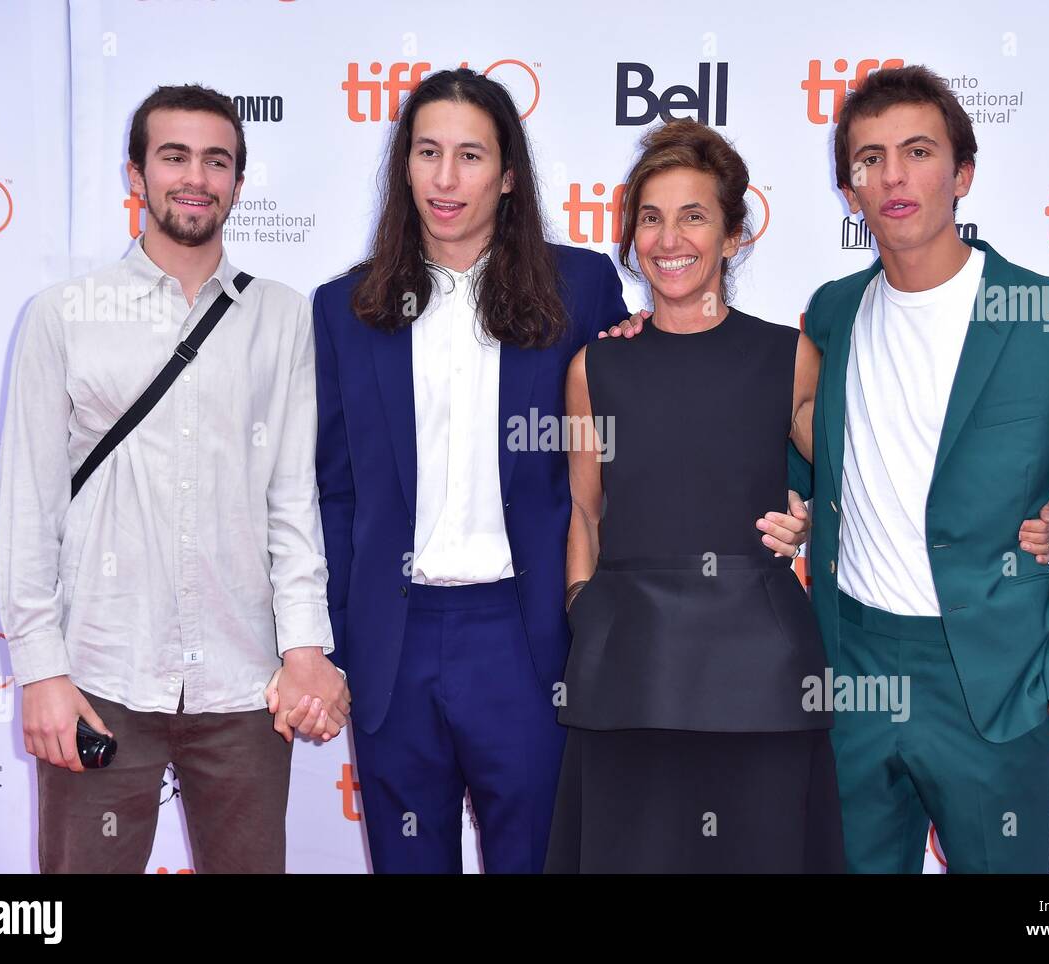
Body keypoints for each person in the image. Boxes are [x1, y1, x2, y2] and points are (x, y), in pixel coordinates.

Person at [304, 69, 812, 874]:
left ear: (507, 176)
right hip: (392, 645)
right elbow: (333, 491)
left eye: (470, 156)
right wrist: (324, 642)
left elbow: (669, 414)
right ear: (404, 166)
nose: (445, 178)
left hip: (526, 636)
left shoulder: (577, 287)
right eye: (428, 152)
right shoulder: (345, 308)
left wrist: (787, 490)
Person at [0, 84, 348, 874]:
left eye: (216, 160)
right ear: (136, 175)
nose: (196, 176)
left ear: (238, 183)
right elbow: (29, 508)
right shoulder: (64, 315)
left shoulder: (283, 317)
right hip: (101, 677)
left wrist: (304, 646)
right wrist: (42, 672)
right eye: (175, 156)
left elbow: (292, 500)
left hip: (243, 687)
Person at [797, 65, 1049, 873]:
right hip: (855, 672)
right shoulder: (833, 310)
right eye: (870, 159)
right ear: (851, 187)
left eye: (917, 152)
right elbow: (799, 448)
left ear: (963, 173)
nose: (893, 176)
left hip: (994, 681)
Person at [545, 119, 844, 873]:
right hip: (627, 670)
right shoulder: (596, 367)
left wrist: (808, 518)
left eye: (694, 215)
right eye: (650, 217)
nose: (668, 237)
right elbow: (585, 510)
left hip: (763, 676)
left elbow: (866, 477)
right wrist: (585, 604)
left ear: (734, 235)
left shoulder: (789, 356)